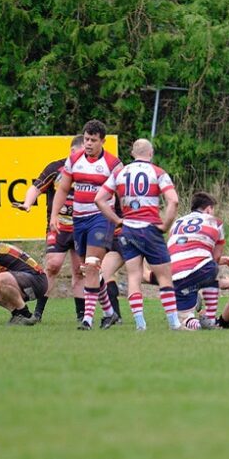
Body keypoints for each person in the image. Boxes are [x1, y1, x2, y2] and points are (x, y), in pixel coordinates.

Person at [95, 139, 180, 331]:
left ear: (132, 154)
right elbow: (173, 201)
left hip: (128, 229)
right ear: (151, 154)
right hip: (150, 229)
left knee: (134, 275)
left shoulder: (119, 173)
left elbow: (99, 199)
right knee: (165, 277)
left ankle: (140, 324)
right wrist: (165, 225)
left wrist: (117, 220)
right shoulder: (158, 173)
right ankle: (174, 323)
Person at [50, 120, 124, 330]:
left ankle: (88, 319)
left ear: (103, 141)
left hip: (101, 219)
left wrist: (125, 218)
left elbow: (122, 194)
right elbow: (63, 189)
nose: (89, 143)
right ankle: (109, 312)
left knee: (91, 265)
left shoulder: (113, 164)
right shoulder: (74, 160)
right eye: (86, 139)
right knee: (88, 270)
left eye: (93, 140)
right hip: (79, 220)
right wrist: (54, 215)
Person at [15, 135, 84, 322]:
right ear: (72, 151)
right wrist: (27, 203)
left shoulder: (92, 170)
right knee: (53, 265)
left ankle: (82, 317)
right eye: (82, 152)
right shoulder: (56, 168)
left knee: (80, 271)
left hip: (83, 227)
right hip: (58, 226)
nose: (85, 157)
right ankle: (37, 314)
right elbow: (36, 187)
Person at [163, 192, 229, 329]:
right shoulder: (215, 222)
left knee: (185, 318)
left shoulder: (176, 223)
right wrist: (221, 262)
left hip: (174, 273)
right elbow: (215, 258)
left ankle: (196, 320)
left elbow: (182, 251)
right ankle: (211, 317)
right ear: (208, 209)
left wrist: (224, 261)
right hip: (202, 270)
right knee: (211, 270)